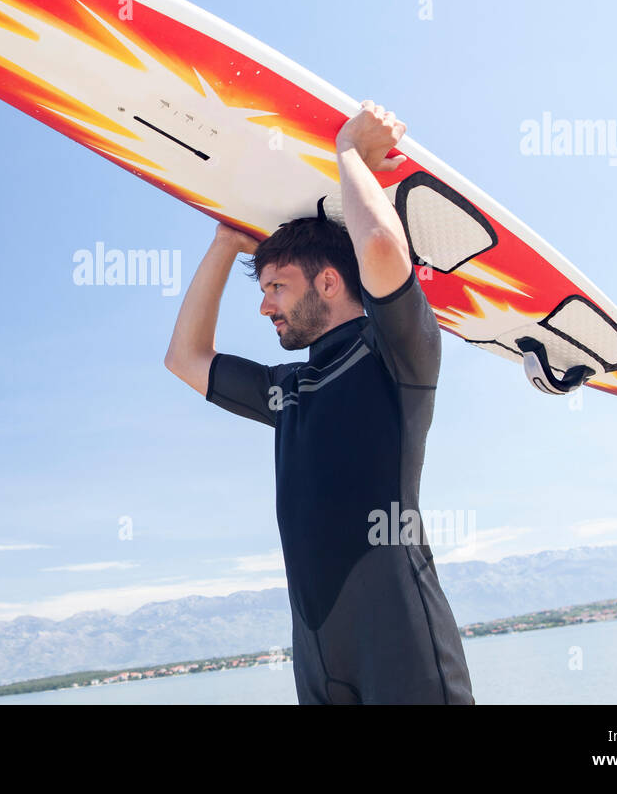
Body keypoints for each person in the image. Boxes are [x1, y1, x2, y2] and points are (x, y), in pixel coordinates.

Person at [164, 101, 474, 704]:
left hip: (398, 637)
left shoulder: (394, 352)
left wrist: (350, 154)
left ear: (329, 282)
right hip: (313, 644)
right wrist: (227, 243)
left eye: (276, 286)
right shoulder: (289, 390)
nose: (264, 306)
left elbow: (382, 246)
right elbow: (184, 358)